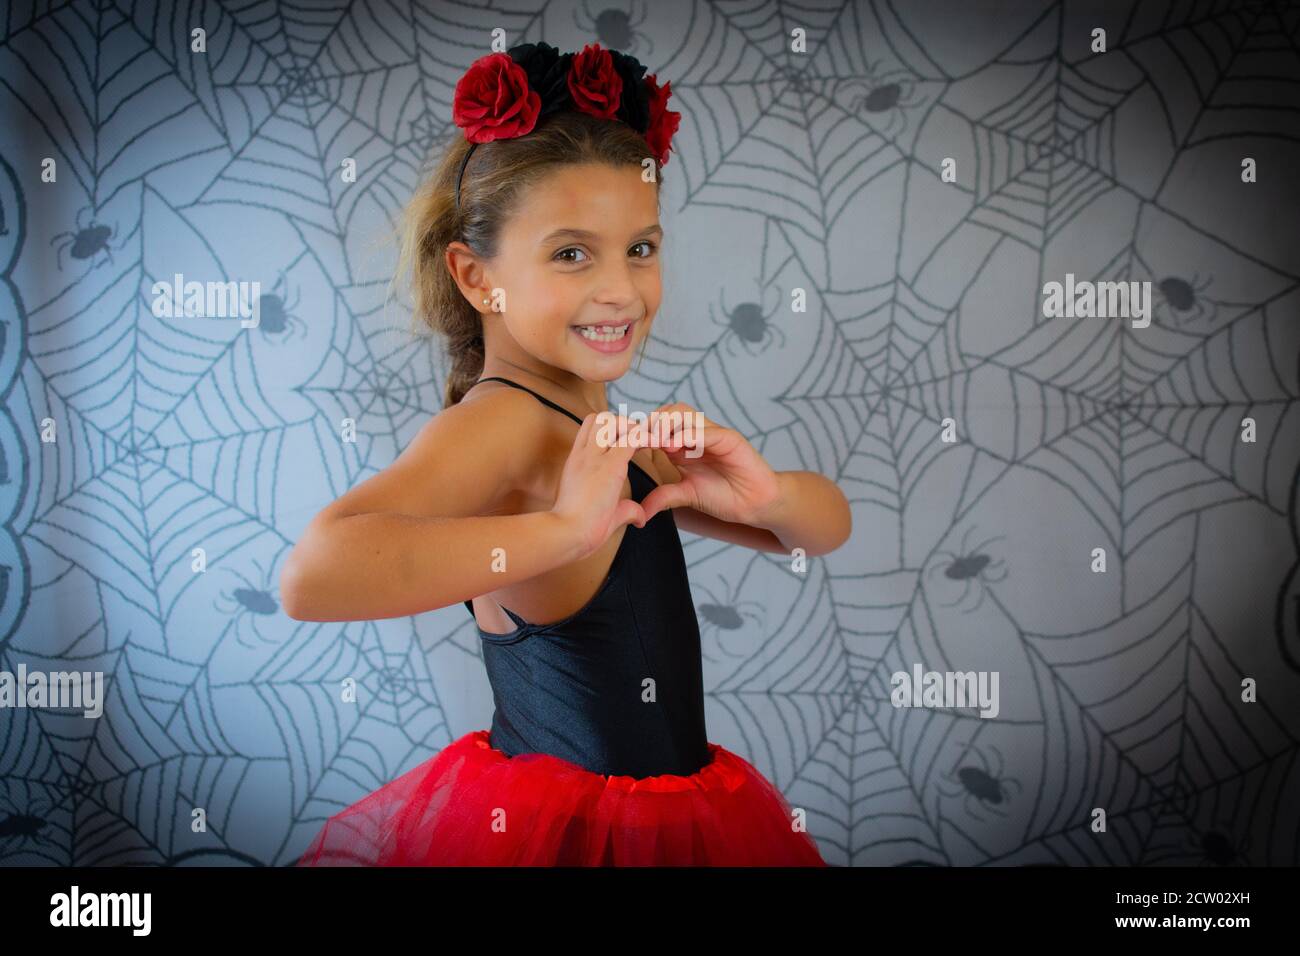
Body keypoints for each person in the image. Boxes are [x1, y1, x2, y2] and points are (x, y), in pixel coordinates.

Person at [282, 41, 851, 866]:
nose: (619, 288)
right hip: (566, 837)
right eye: (571, 253)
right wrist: (562, 531)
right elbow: (313, 576)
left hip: (675, 823)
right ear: (480, 279)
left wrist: (763, 499)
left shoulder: (599, 435)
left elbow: (825, 528)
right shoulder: (504, 425)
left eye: (641, 249)